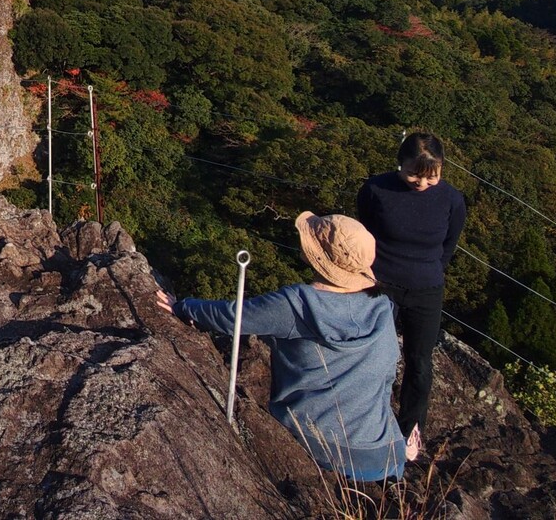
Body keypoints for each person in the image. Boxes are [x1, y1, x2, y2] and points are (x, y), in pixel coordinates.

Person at [156, 212, 407, 484]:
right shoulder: (382, 307)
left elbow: (234, 317)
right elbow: (386, 378)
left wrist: (183, 307)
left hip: (325, 450)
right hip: (387, 454)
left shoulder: (298, 304)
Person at [356, 132, 467, 461]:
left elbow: (449, 245)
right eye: (414, 174)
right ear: (399, 163)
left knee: (419, 363)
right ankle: (368, 420)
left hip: (426, 287)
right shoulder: (376, 189)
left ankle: (409, 428)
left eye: (432, 175)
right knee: (377, 355)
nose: (422, 182)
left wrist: (430, 270)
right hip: (381, 283)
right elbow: (366, 233)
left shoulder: (452, 199)